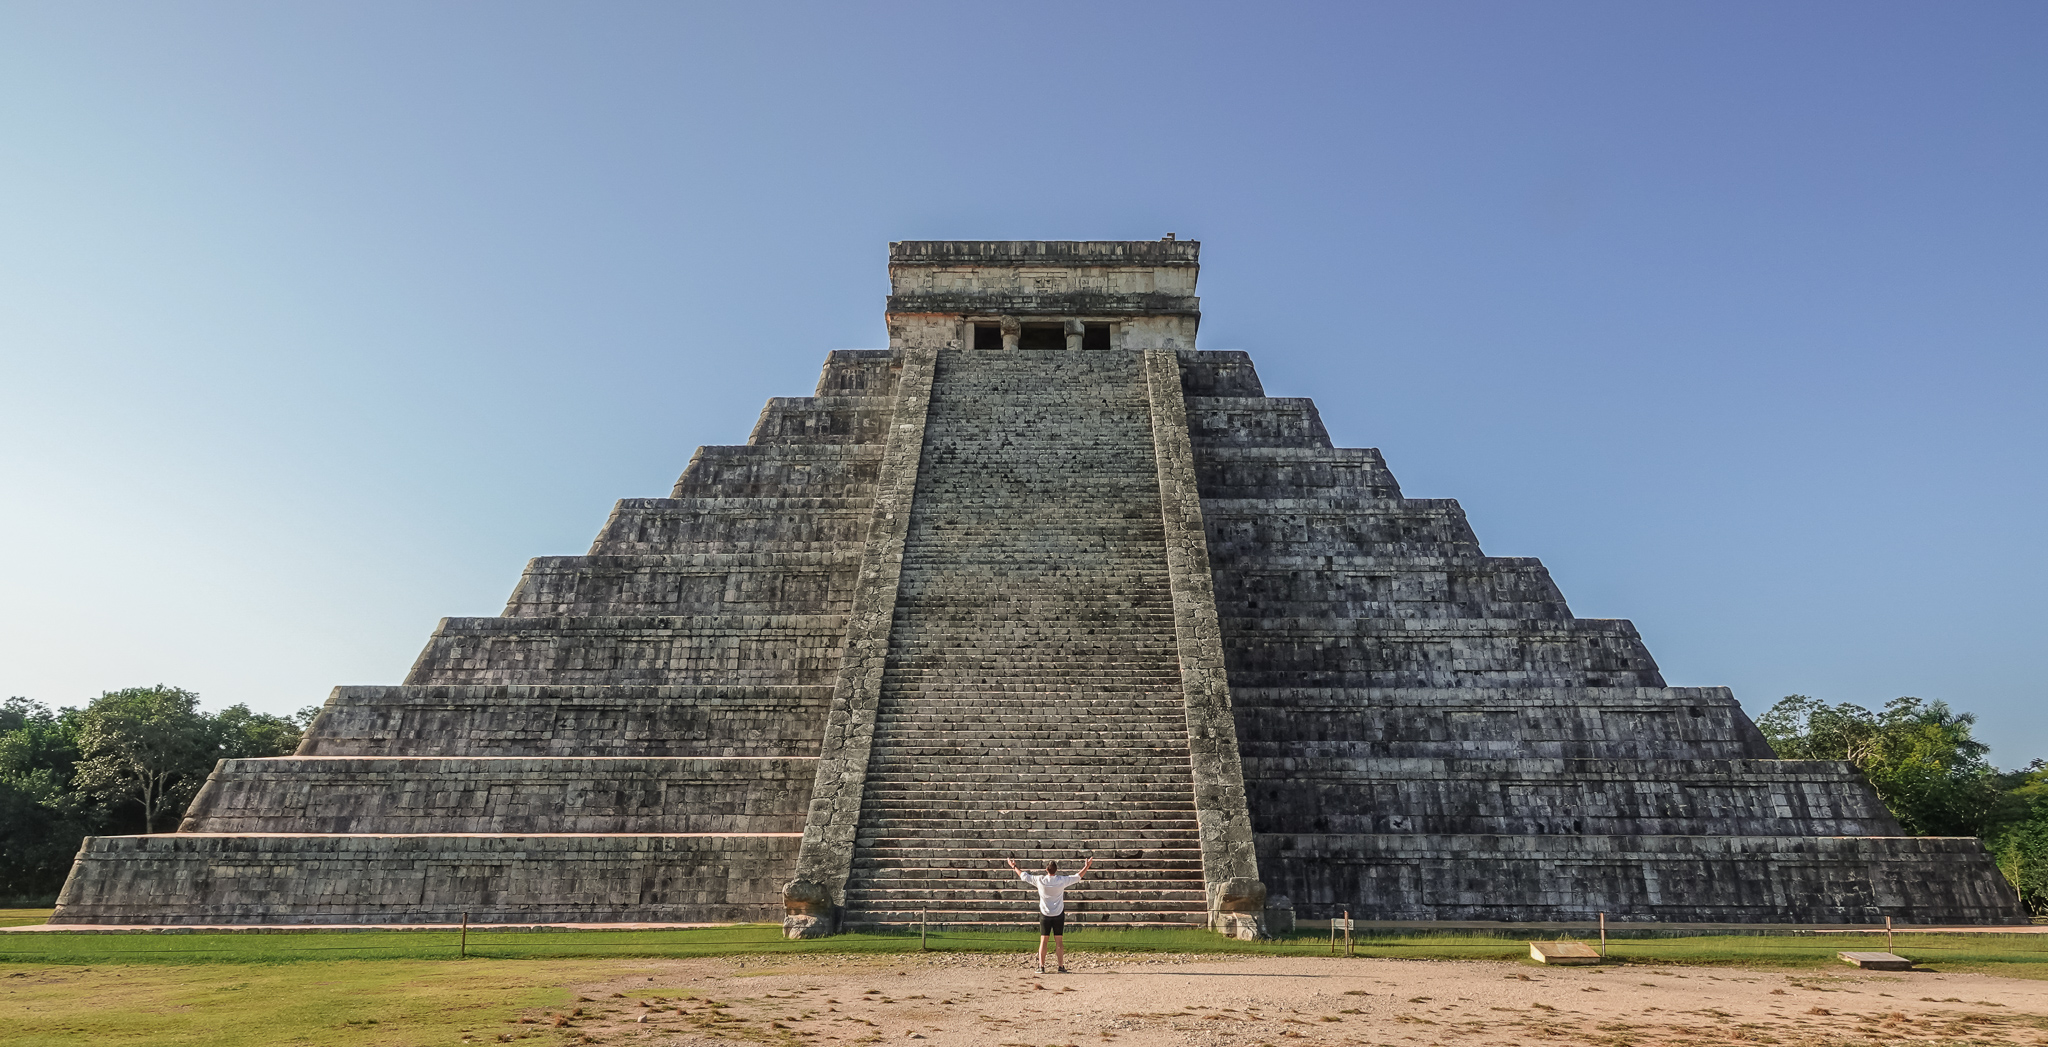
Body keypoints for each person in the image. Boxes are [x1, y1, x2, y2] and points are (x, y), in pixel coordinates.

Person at [1007, 855, 1092, 973]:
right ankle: (1061, 966)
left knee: (1043, 940)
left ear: (1046, 870)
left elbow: (1023, 876)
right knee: (1059, 941)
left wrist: (1014, 866)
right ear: (1056, 870)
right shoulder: (1061, 880)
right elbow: (1078, 877)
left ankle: (1041, 966)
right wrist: (1086, 867)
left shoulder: (1040, 880)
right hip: (1058, 913)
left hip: (1045, 914)